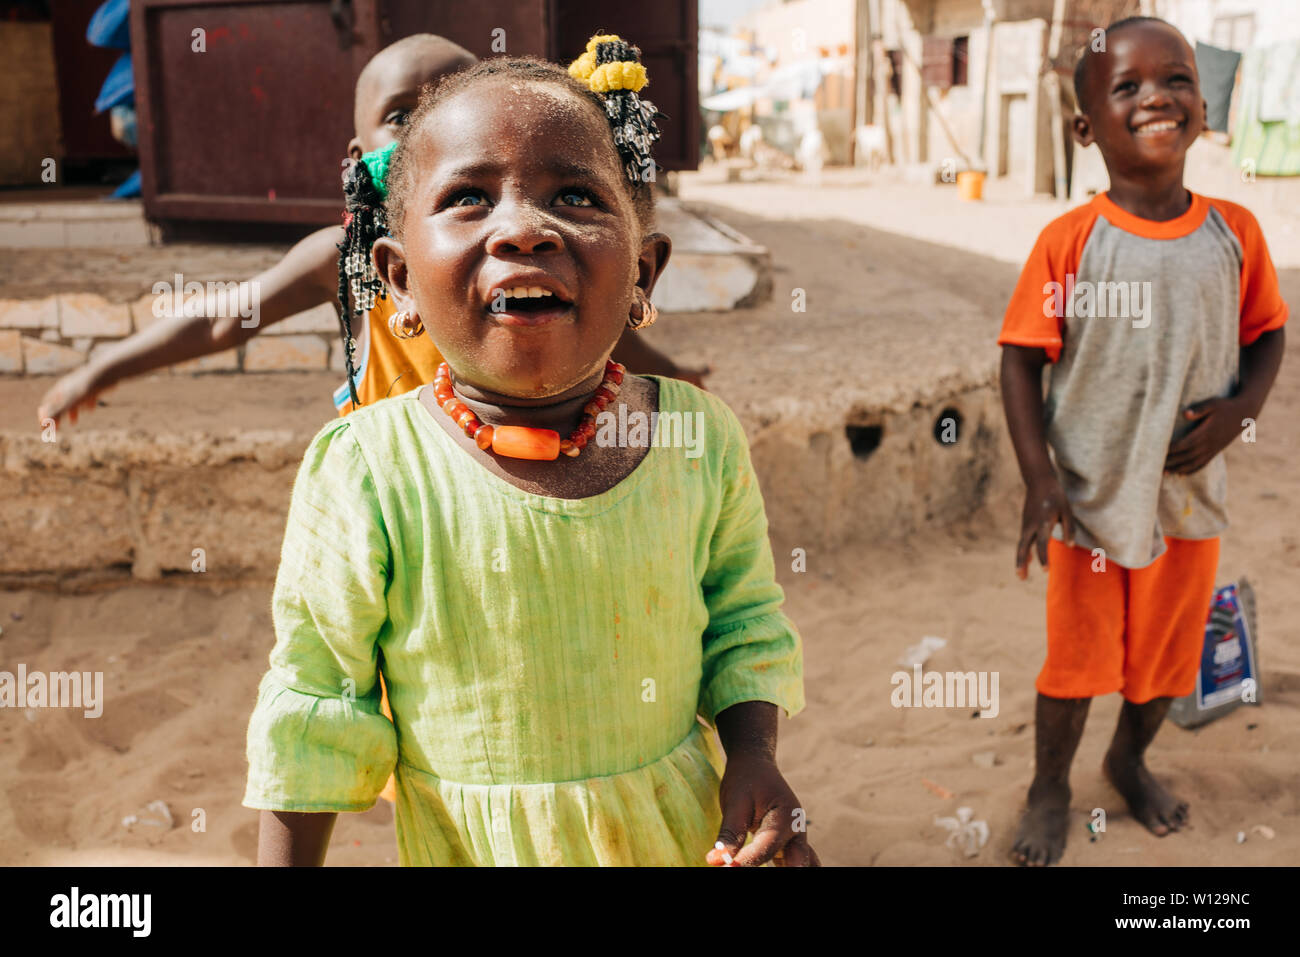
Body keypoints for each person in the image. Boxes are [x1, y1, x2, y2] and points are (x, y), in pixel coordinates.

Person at [244, 36, 814, 867]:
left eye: (576, 194)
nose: (524, 228)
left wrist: (755, 759)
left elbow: (743, 622)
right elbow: (316, 708)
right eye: (469, 198)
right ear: (398, 279)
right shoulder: (365, 470)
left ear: (645, 273)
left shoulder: (700, 437)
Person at [36, 35, 704, 429]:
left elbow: (602, 327)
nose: (421, 129)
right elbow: (222, 320)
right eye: (399, 115)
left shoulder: (528, 246)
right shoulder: (344, 258)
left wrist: (676, 376)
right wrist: (103, 366)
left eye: (449, 106)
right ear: (357, 159)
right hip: (395, 508)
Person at [998, 16, 1287, 866]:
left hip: (1188, 503)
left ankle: (1129, 757)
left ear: (1203, 104)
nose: (1157, 96)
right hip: (1089, 502)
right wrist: (1038, 478)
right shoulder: (1069, 241)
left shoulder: (1235, 232)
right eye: (1127, 86)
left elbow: (1269, 333)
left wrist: (1240, 411)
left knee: (1163, 664)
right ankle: (1049, 784)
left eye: (1177, 80)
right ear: (1086, 127)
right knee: (1075, 667)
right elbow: (1019, 361)